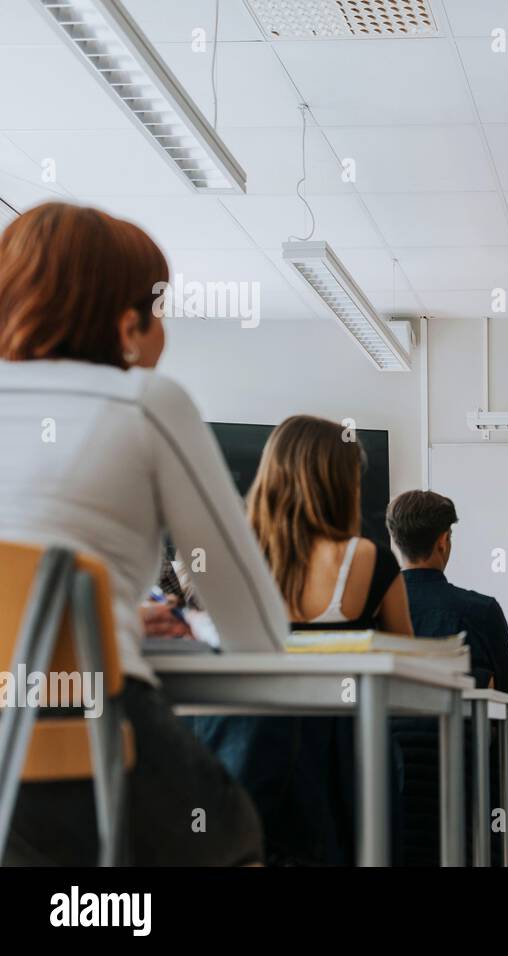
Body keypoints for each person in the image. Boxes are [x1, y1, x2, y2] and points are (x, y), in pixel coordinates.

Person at [0, 201, 288, 865]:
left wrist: (106, 612)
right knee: (234, 831)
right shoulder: (146, 403)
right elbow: (259, 631)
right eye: (161, 309)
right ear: (128, 323)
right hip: (84, 756)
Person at [190, 415, 412, 865]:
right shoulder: (366, 557)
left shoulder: (225, 557)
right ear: (337, 482)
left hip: (235, 750)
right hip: (344, 758)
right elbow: (410, 669)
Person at [384, 489, 508, 866]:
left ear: (394, 540)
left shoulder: (373, 609)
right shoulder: (479, 610)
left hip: (383, 752)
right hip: (465, 757)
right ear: (444, 541)